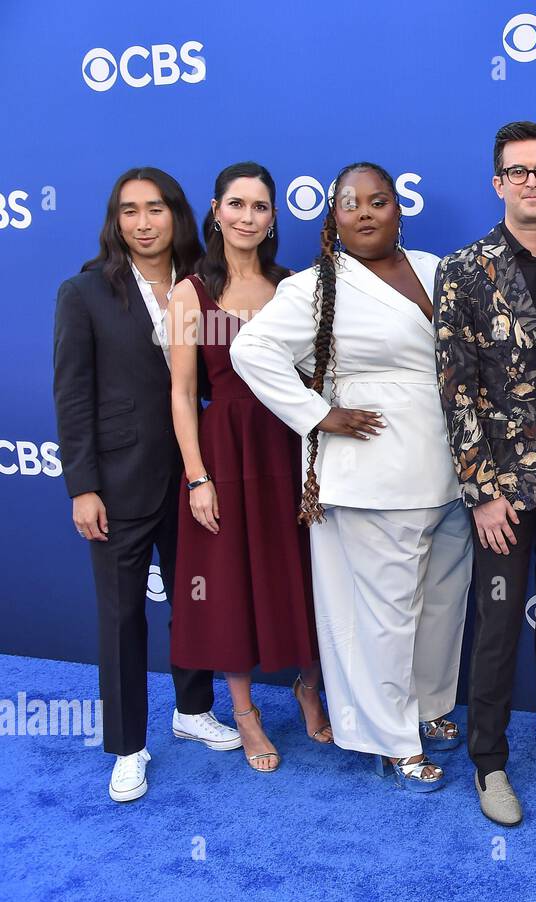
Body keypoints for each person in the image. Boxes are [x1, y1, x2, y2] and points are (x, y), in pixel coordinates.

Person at [231, 162, 471, 792]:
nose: (365, 212)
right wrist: (318, 414)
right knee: (384, 615)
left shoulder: (433, 267)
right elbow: (250, 350)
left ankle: (425, 707)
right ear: (332, 217)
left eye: (379, 200)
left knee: (439, 602)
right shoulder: (316, 285)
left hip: (449, 466)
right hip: (372, 473)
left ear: (400, 209)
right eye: (350, 203)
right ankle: (391, 740)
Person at [53, 167, 239, 803]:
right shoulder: (84, 293)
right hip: (119, 483)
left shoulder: (206, 287)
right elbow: (72, 397)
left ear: (177, 215)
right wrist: (83, 486)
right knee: (121, 615)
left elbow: (220, 378)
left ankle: (192, 711)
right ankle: (128, 745)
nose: (143, 222)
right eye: (129, 211)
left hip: (195, 477)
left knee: (195, 601)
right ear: (116, 221)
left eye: (155, 209)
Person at [434, 122, 536, 826]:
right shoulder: (464, 269)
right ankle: (488, 761)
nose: (532, 182)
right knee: (498, 623)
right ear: (498, 183)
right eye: (517, 171)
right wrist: (481, 492)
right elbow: (456, 389)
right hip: (504, 488)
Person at [167, 162, 329, 773]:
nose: (247, 216)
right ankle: (244, 714)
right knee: (230, 579)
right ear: (216, 210)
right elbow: (183, 393)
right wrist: (197, 476)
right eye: (237, 204)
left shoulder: (292, 286)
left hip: (290, 445)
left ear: (272, 220)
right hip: (225, 448)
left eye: (260, 207)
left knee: (303, 570)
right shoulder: (192, 292)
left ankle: (308, 688)